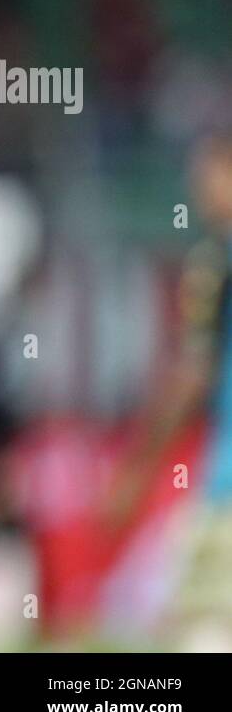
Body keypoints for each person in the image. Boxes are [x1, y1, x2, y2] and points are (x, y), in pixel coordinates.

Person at [103, 132, 232, 650]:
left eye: (209, 174)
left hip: (227, 488)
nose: (198, 190)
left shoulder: (215, 264)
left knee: (204, 629)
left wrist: (137, 469)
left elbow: (190, 375)